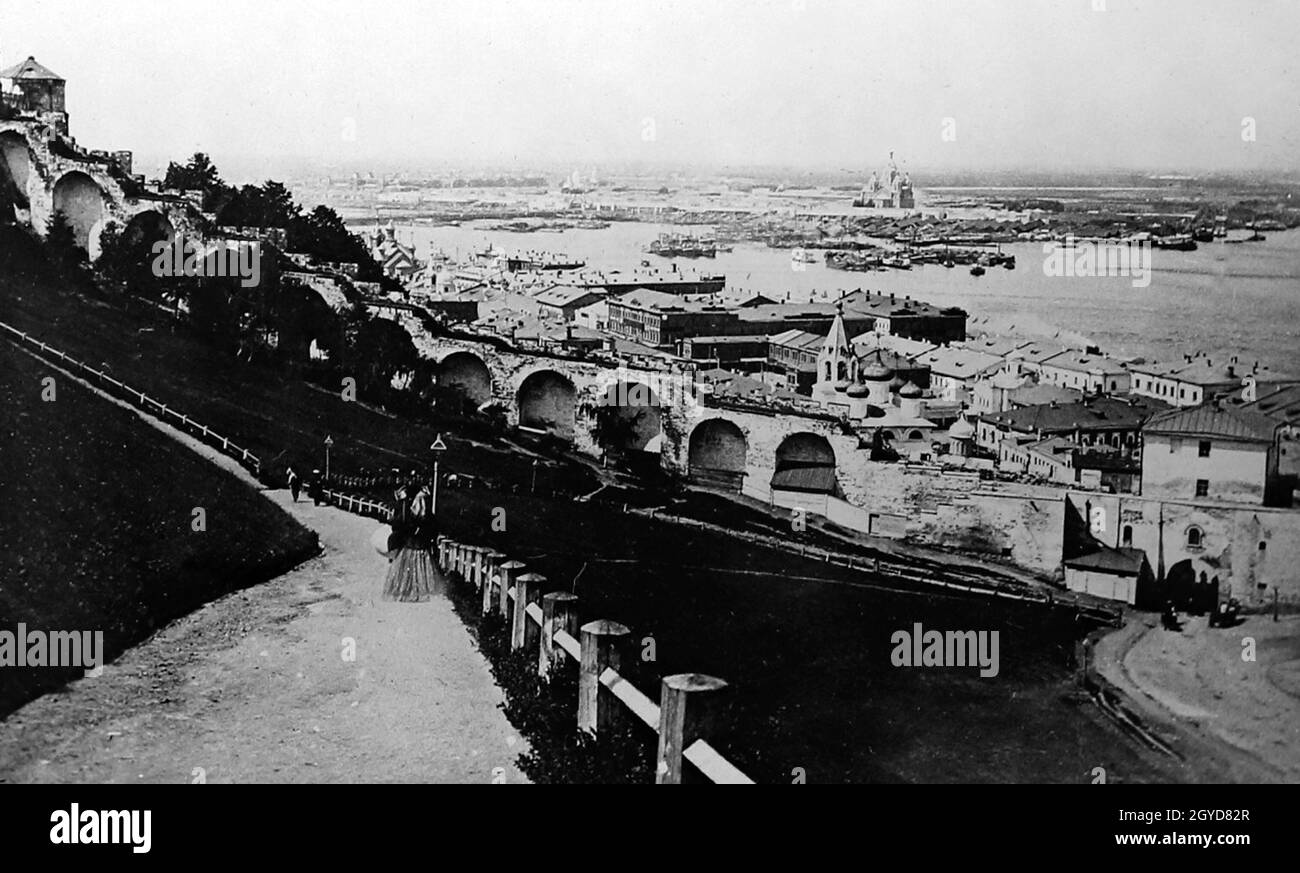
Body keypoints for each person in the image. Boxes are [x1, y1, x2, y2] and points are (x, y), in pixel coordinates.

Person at [381, 480, 446, 602]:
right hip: (415, 543)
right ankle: (411, 591)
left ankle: (408, 591)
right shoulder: (411, 509)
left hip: (414, 543)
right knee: (415, 568)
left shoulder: (411, 510)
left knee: (409, 568)